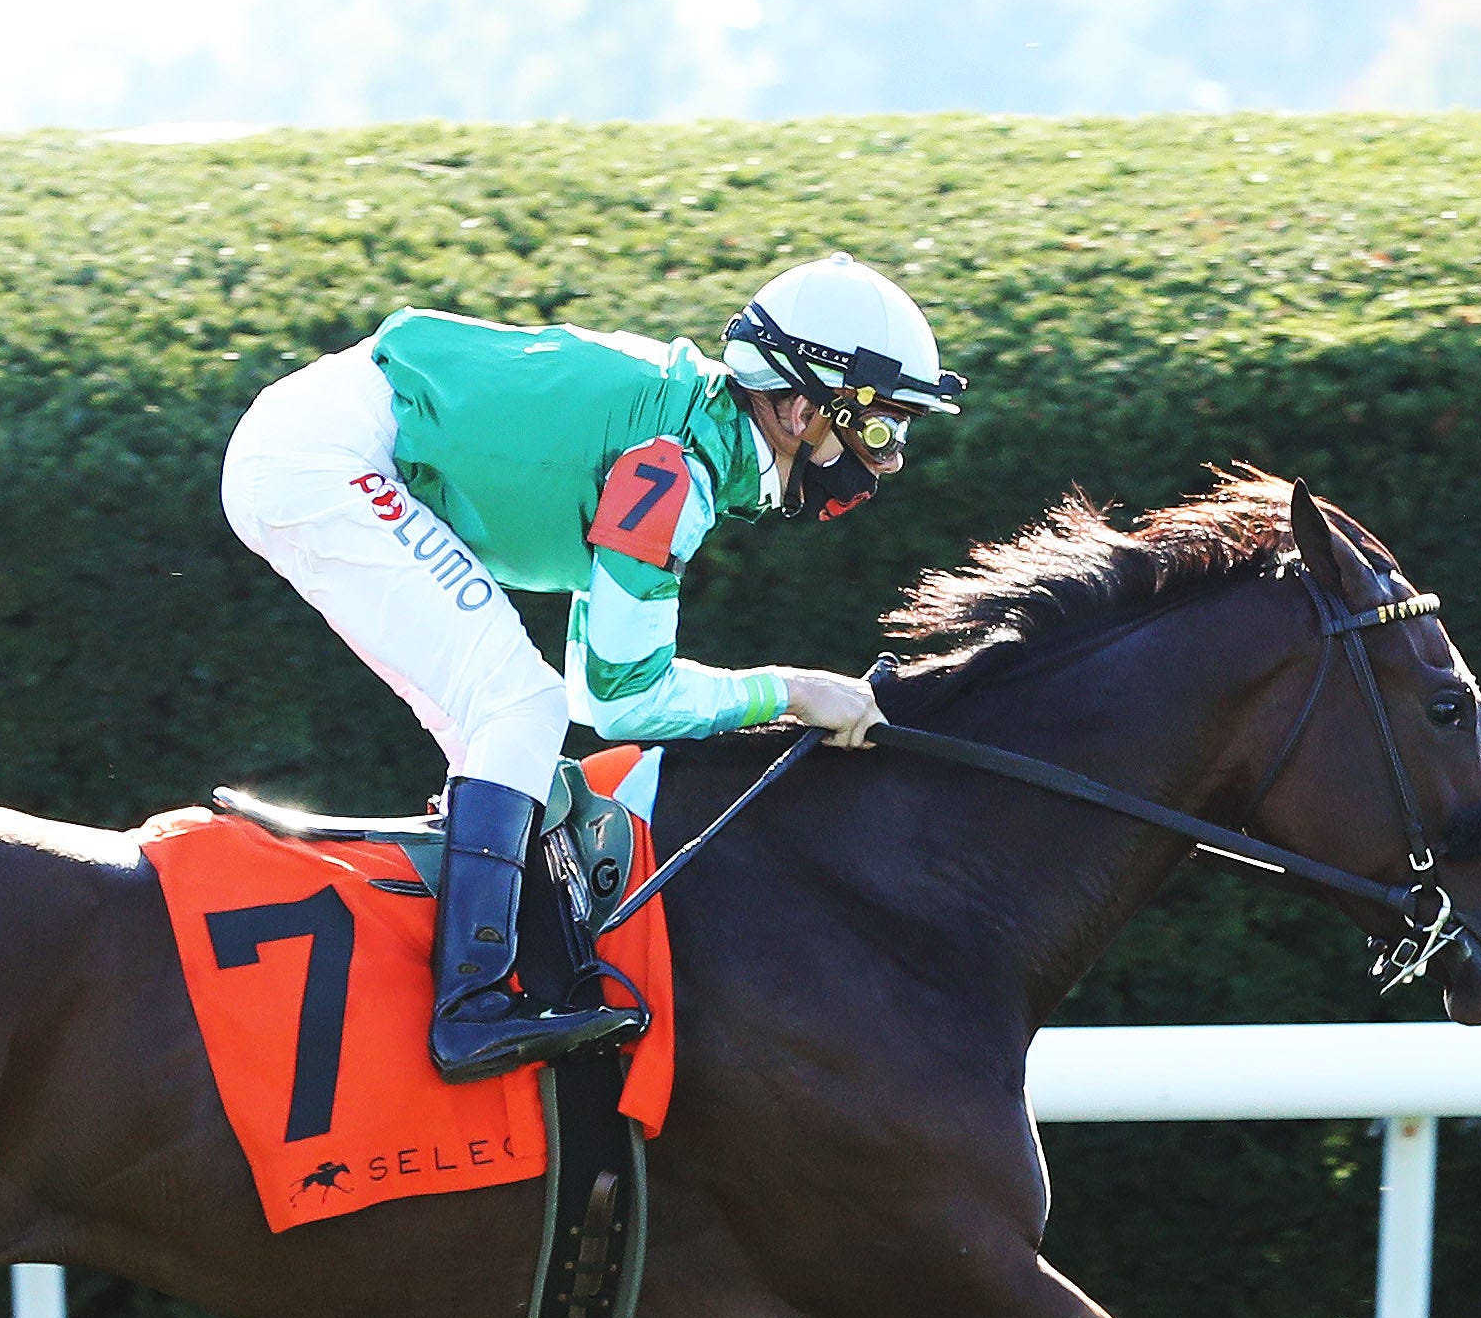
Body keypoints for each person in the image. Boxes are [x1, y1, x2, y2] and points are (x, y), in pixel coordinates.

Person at [219, 254, 964, 1081]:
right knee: (521, 708)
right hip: (326, 456)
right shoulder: (672, 469)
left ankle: (485, 963)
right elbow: (623, 701)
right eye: (879, 427)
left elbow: (598, 683)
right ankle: (470, 1005)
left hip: (322, 439)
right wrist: (794, 692)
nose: (889, 459)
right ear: (797, 409)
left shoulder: (689, 441)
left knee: (512, 728)